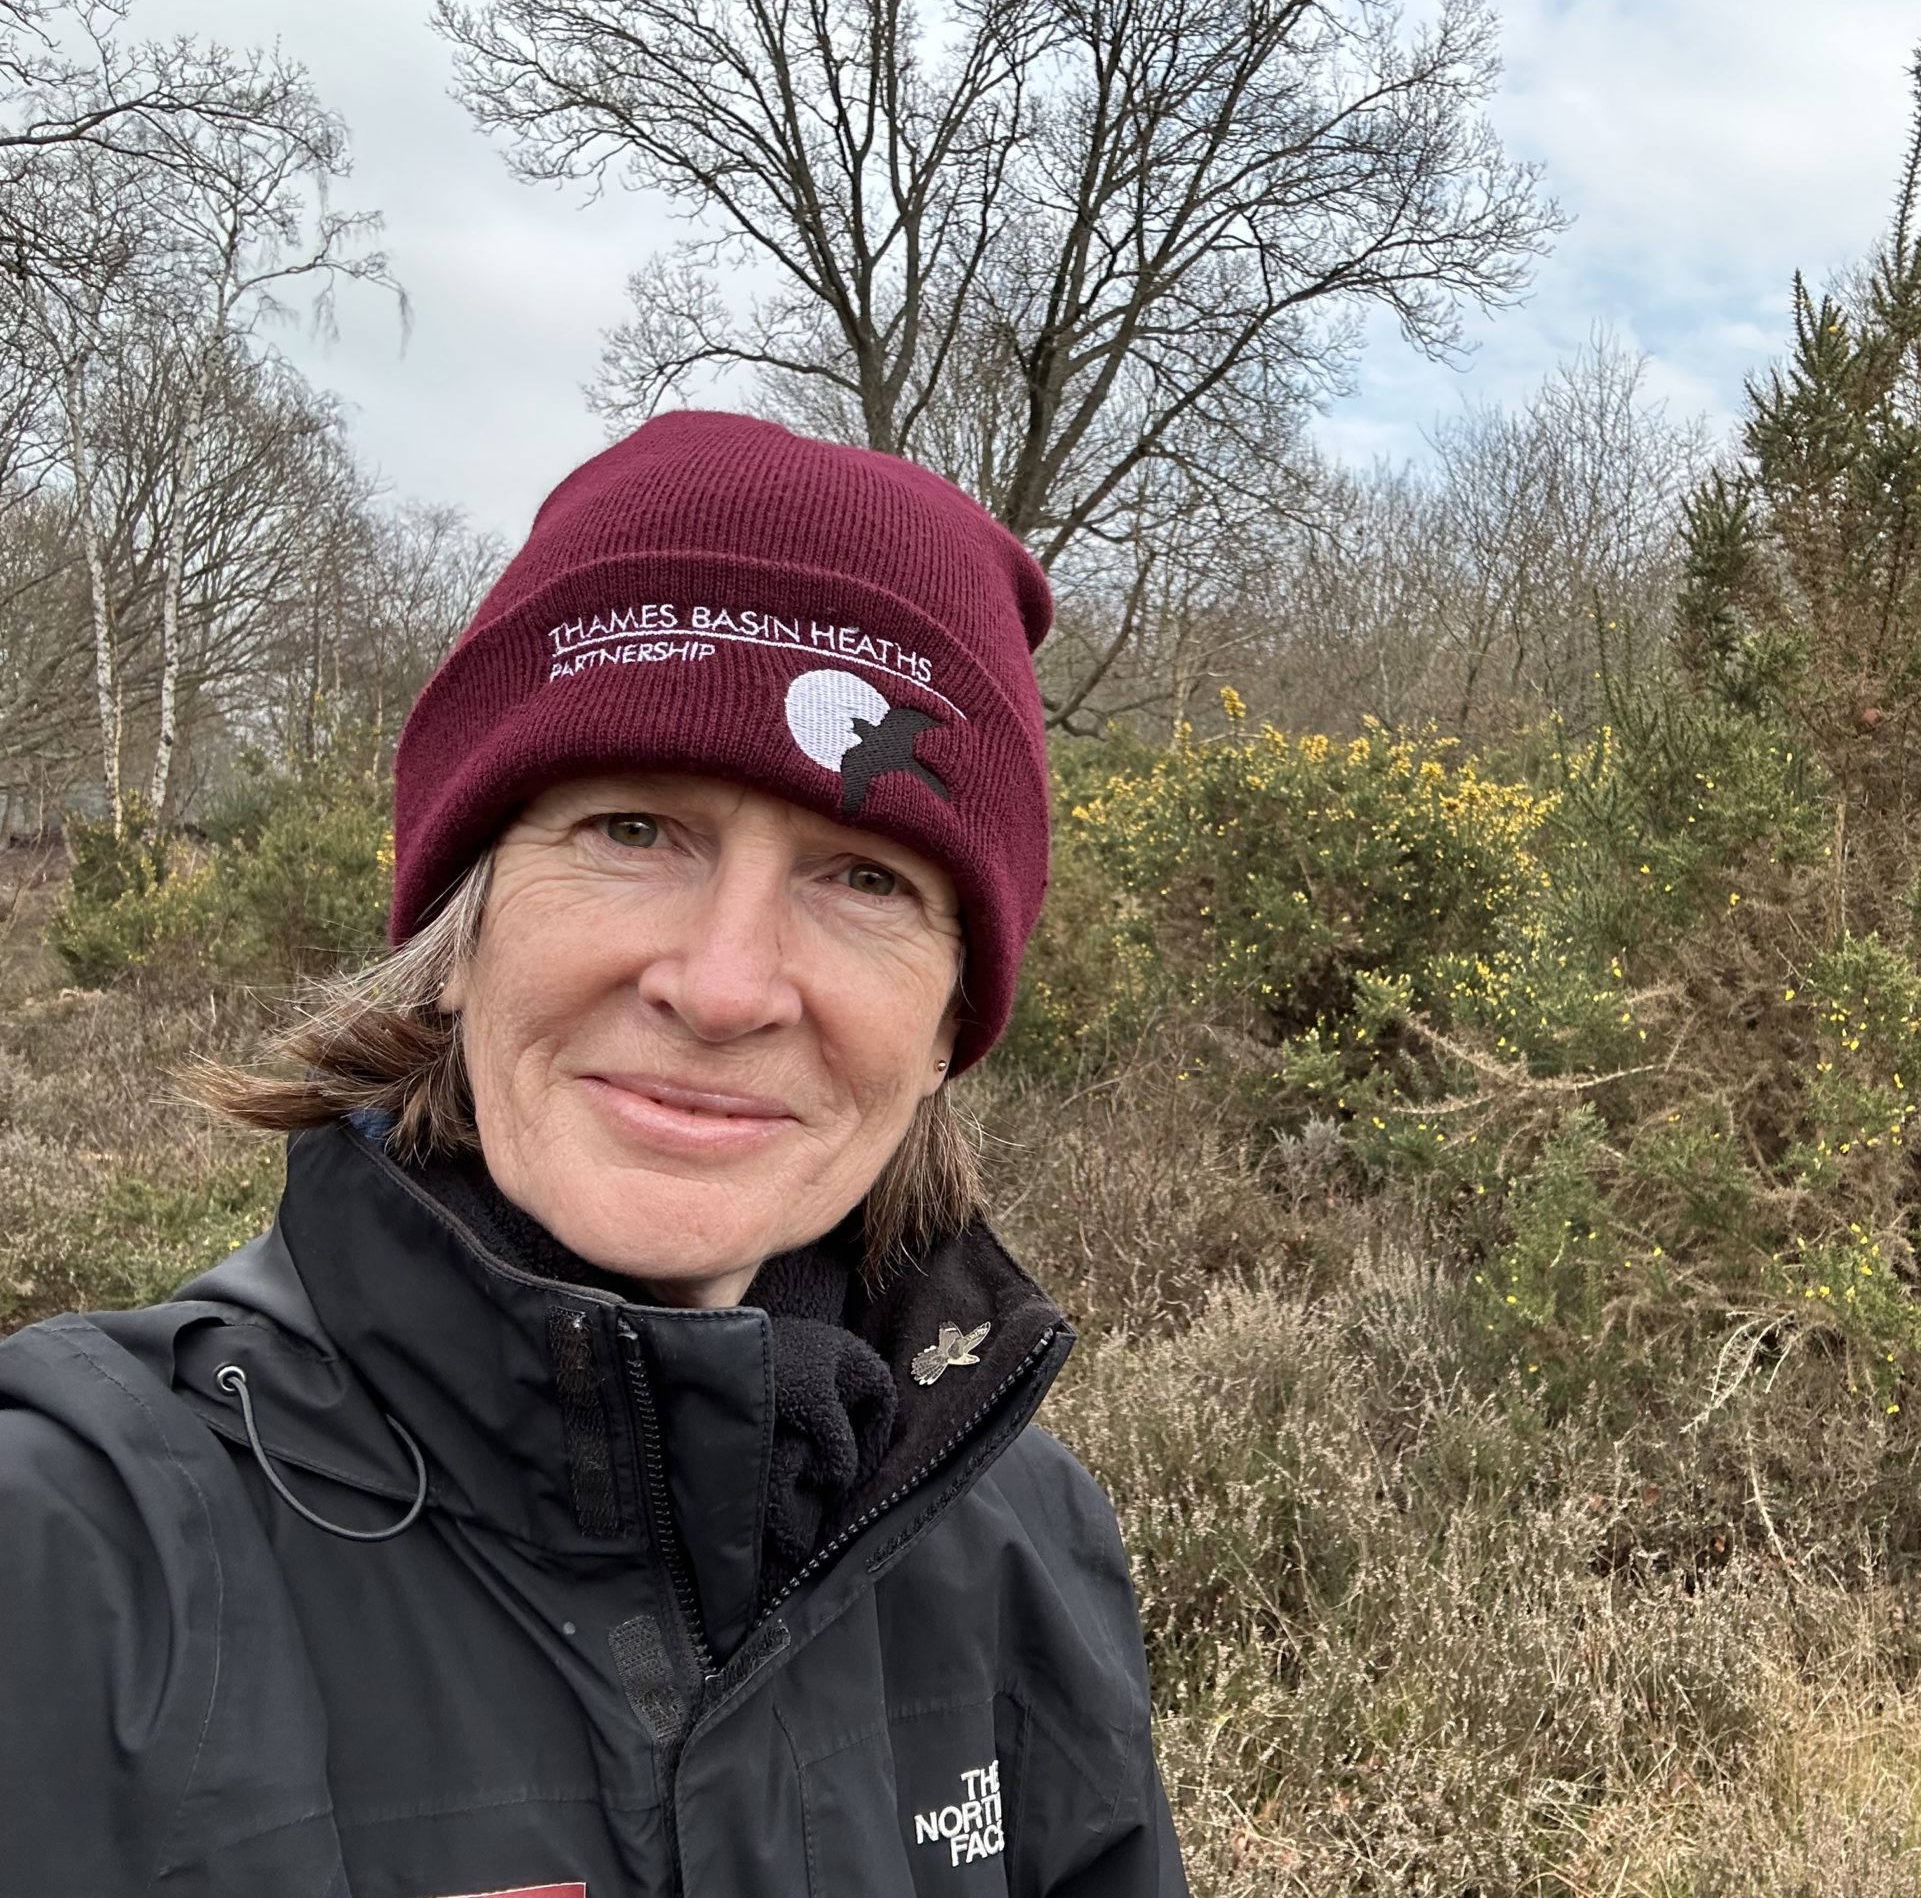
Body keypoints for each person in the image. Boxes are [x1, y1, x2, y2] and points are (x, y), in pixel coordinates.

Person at [0, 411, 1189, 1897]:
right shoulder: (66, 1556)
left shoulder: (1017, 1541)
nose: (727, 983)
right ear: (456, 934)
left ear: (951, 1020)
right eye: (634, 829)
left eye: (867, 878)